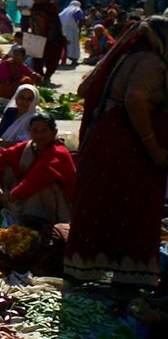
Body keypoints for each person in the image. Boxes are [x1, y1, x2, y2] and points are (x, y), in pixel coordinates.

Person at [65, 16, 168, 287]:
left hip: (110, 137)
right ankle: (127, 275)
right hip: (127, 144)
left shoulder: (127, 57)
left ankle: (90, 268)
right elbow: (136, 98)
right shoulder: (150, 62)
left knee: (104, 201)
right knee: (131, 204)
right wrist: (154, 146)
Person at [0, 112, 75, 227]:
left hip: (58, 201)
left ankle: (35, 221)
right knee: (6, 169)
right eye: (35, 131)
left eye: (44, 131)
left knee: (44, 188)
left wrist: (10, 196)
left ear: (54, 133)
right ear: (30, 133)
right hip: (23, 193)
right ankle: (2, 205)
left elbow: (36, 180)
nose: (39, 135)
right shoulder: (27, 147)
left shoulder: (58, 152)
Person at [29, 0, 66, 84]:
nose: (34, 0)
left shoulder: (50, 7)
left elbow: (56, 22)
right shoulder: (35, 6)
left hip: (51, 36)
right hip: (37, 36)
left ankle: (48, 75)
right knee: (37, 59)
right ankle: (39, 76)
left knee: (52, 57)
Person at [59, 0, 84, 66]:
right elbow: (81, 20)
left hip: (63, 29)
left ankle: (63, 60)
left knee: (64, 45)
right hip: (72, 29)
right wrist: (79, 29)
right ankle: (74, 60)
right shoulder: (77, 9)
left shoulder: (65, 10)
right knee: (74, 44)